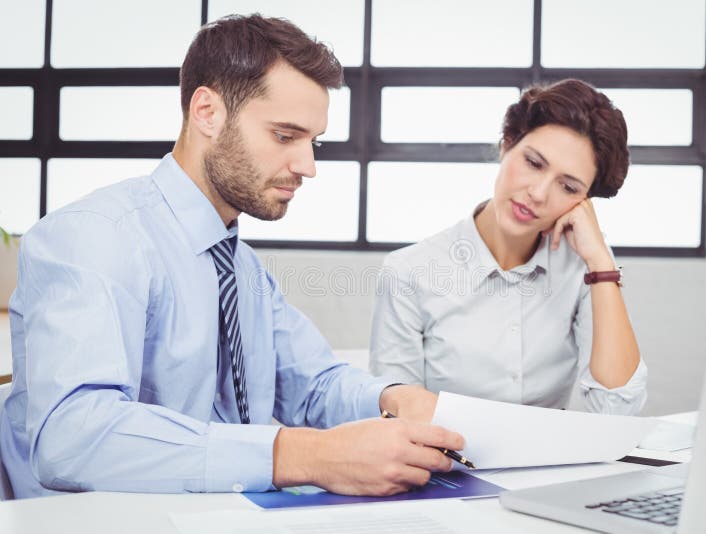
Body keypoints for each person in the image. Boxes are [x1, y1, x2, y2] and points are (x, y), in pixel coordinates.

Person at [0, 14, 464, 499]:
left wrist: (393, 399)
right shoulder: (93, 238)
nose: (308, 166)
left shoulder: (241, 267)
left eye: (314, 142)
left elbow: (311, 383)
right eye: (285, 136)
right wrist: (303, 456)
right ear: (207, 112)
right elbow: (72, 439)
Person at [370, 79, 647, 415]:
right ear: (507, 143)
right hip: (444, 449)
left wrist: (601, 263)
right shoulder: (408, 271)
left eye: (568, 187)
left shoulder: (584, 266)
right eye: (534, 163)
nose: (539, 193)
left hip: (548, 450)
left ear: (583, 202)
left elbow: (617, 410)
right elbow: (396, 417)